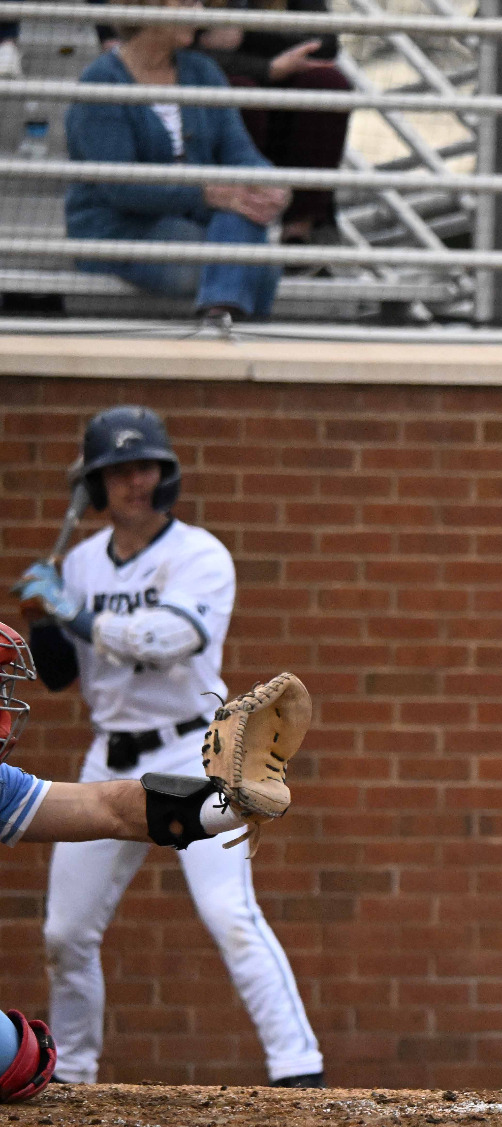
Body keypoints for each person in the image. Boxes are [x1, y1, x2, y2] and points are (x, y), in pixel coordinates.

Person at [11, 406, 324, 1089]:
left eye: (145, 467)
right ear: (96, 484)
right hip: (109, 757)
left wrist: (74, 612)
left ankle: (299, 1067)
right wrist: (47, 622)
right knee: (65, 933)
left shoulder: (200, 554)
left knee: (229, 915)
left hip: (193, 747)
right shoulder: (83, 563)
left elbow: (166, 639)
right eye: (118, 471)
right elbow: (62, 676)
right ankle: (72, 1072)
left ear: (165, 474)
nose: (134, 482)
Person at [0, 619, 302, 1102]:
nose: (4, 708)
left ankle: (298, 1067)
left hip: (173, 748)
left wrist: (223, 806)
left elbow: (109, 810)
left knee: (16, 1057)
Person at [65, 0, 288, 321]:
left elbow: (240, 153)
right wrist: (207, 193)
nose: (198, 14)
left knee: (246, 227)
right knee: (248, 263)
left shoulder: (203, 72)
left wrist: (267, 184)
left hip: (197, 220)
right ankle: (227, 329)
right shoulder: (101, 83)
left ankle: (220, 317)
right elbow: (122, 188)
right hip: (122, 230)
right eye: (186, 3)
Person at [198, 0, 351, 247]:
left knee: (326, 82)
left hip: (281, 101)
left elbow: (325, 44)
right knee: (241, 93)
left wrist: (245, 33)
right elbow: (189, 48)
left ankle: (300, 233)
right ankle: (239, 230)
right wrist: (266, 67)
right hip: (228, 99)